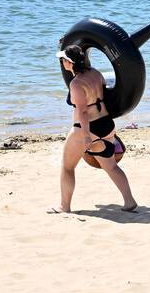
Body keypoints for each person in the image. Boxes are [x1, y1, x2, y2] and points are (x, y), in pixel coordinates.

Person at [52, 45, 137, 214]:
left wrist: (85, 136)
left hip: (87, 129)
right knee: (111, 167)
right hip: (106, 125)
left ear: (69, 63)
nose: (62, 63)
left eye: (63, 60)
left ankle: (64, 206)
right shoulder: (96, 73)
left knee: (67, 167)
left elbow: (82, 111)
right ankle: (129, 201)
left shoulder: (76, 84)